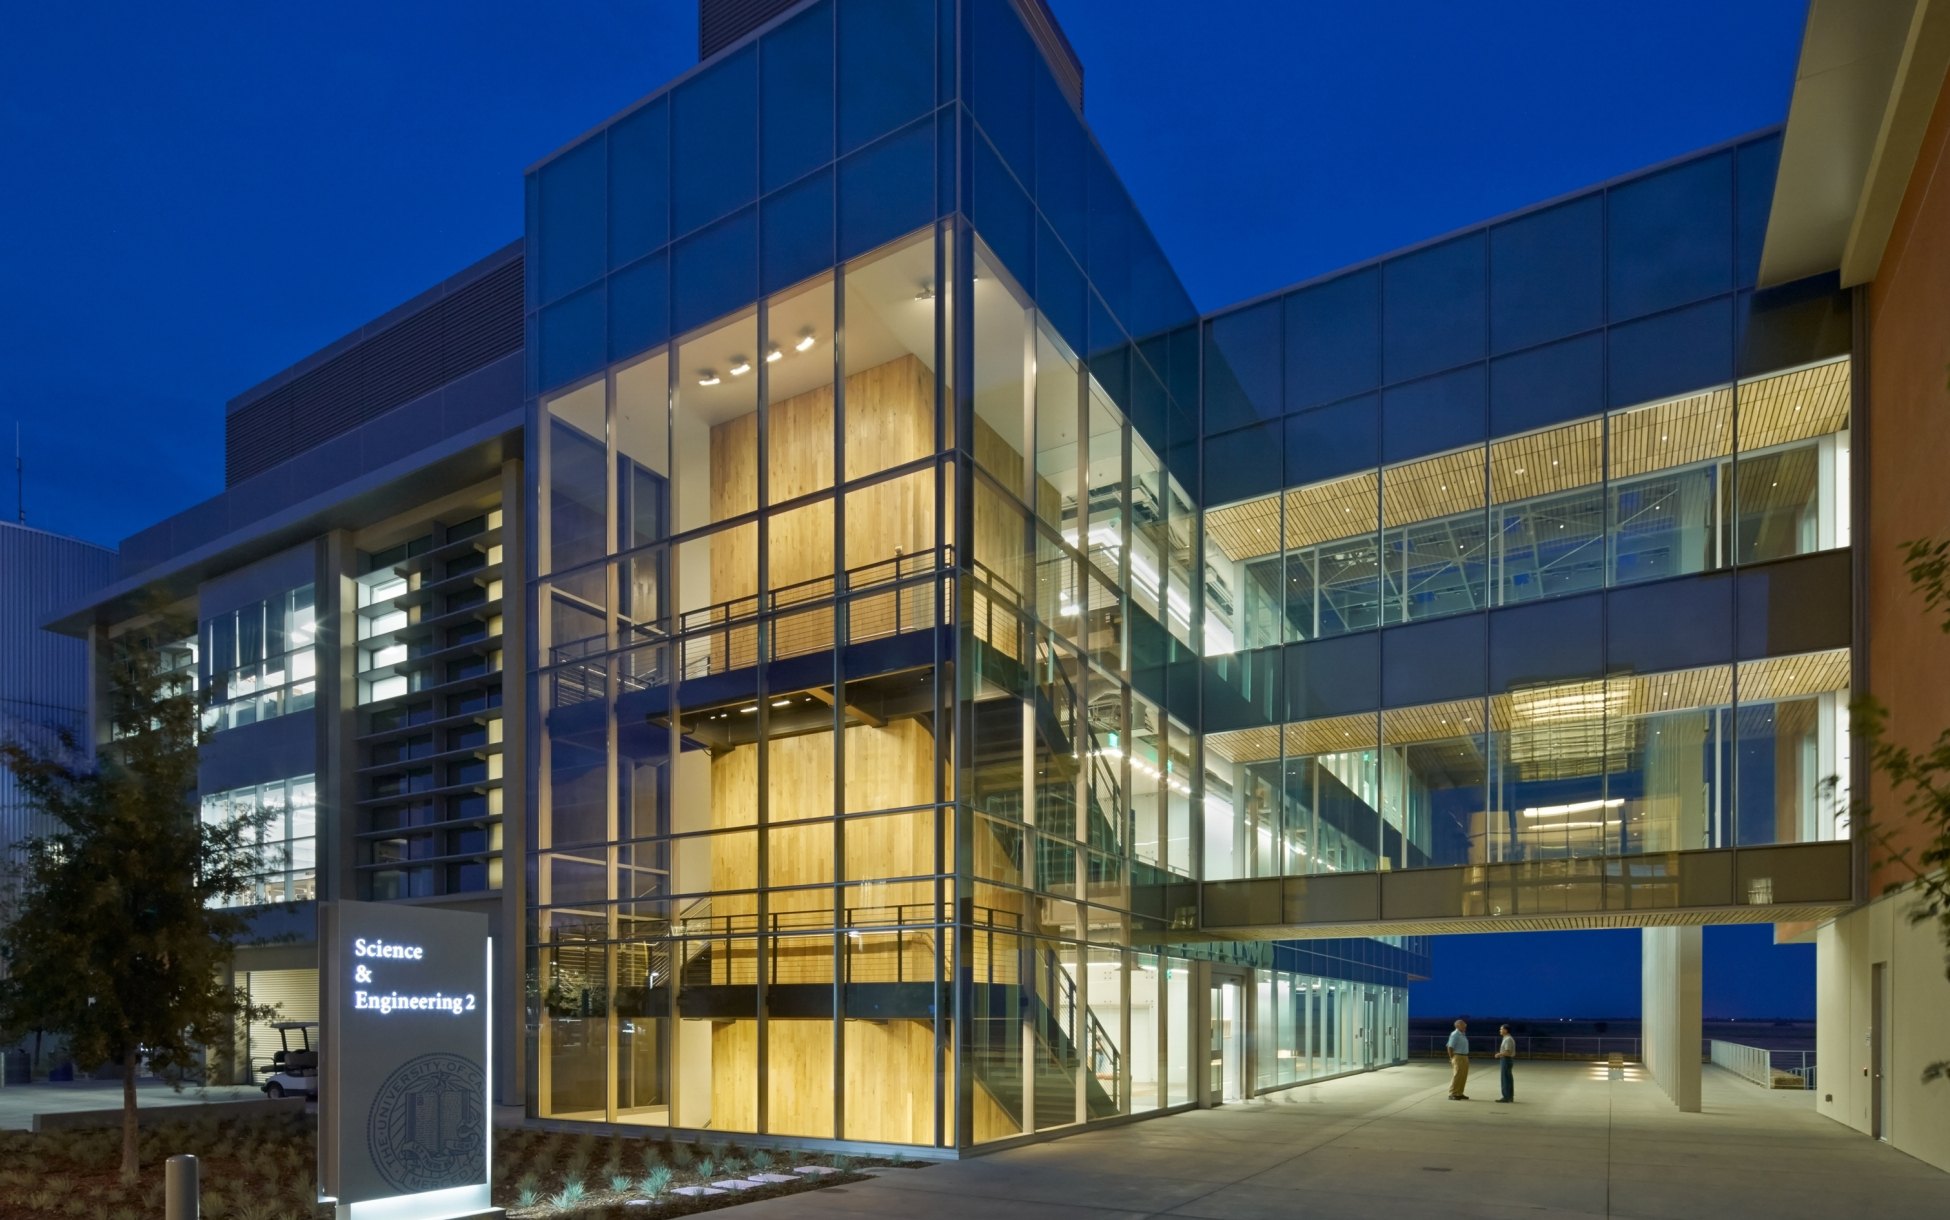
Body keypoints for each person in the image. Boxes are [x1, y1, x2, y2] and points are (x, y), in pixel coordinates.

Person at [1446, 1018, 1470, 1099]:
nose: (1465, 1026)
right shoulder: (1455, 1034)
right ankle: (1453, 1093)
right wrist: (1452, 1058)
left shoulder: (1462, 1034)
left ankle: (1459, 1093)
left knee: (1463, 1075)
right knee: (1457, 1075)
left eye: (1465, 1025)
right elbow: (1450, 1047)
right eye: (1463, 1025)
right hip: (1458, 1056)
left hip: (1464, 1056)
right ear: (1457, 1025)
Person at [1495, 1024, 1516, 1102]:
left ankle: (1506, 1097)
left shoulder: (1508, 1039)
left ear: (1506, 1030)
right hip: (1506, 1060)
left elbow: (1507, 1052)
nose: (1500, 1030)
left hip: (1506, 1060)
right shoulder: (1507, 1038)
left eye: (1501, 1029)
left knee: (1505, 1079)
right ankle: (1509, 1096)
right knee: (1508, 1078)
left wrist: (1499, 1054)